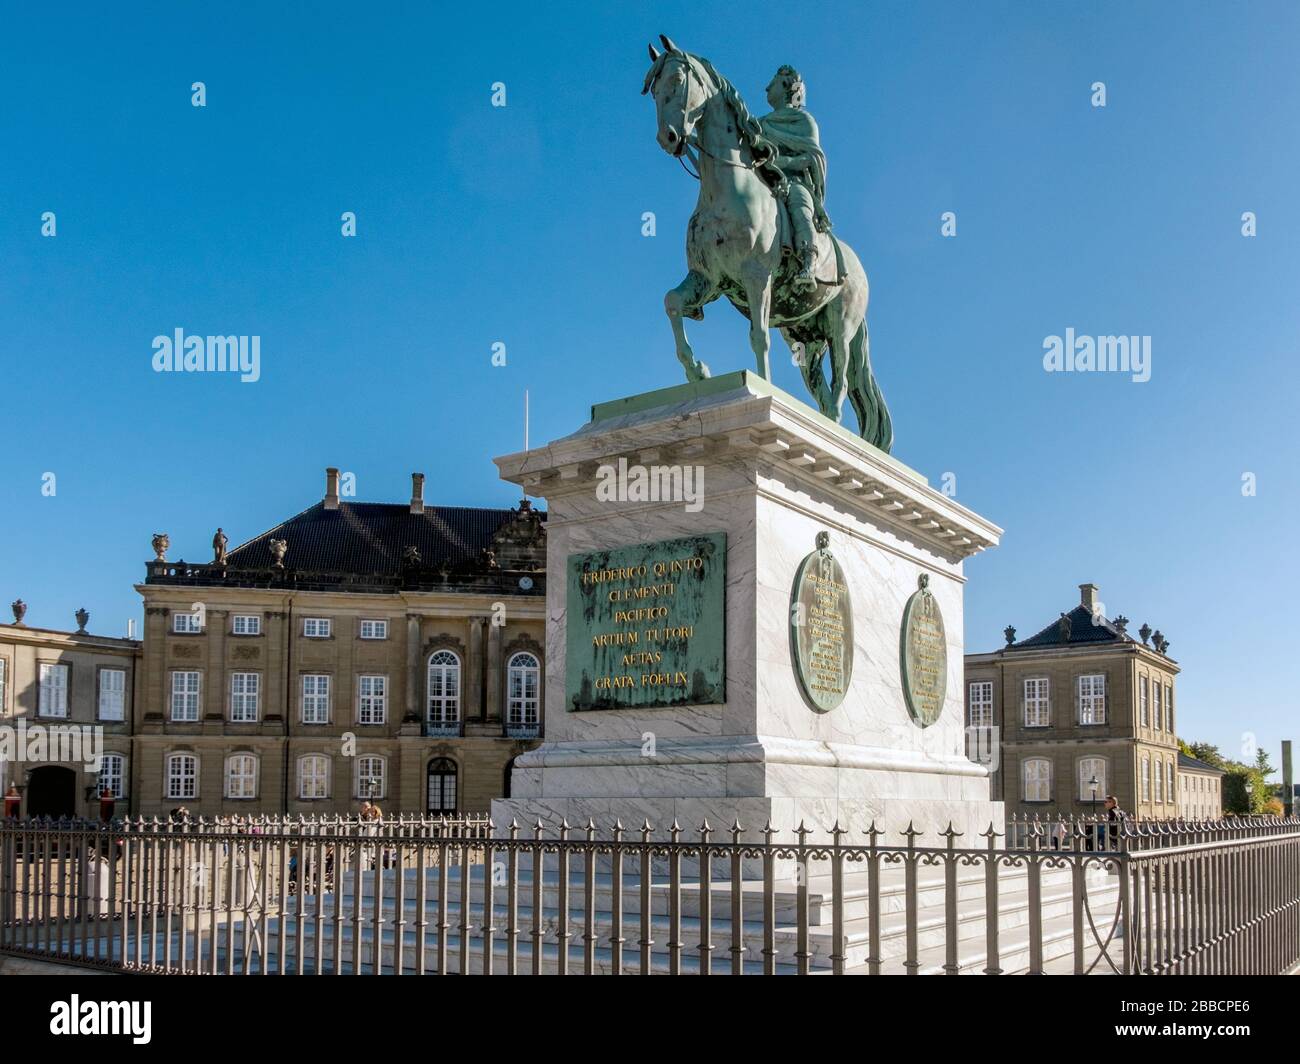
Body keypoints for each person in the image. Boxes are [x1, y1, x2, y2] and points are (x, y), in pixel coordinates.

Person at [757, 65, 832, 292]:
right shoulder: (759, 124)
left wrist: (782, 164)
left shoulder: (804, 121)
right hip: (764, 179)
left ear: (788, 87)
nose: (767, 87)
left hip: (793, 182)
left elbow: (810, 159)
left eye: (773, 82)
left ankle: (808, 261)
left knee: (799, 205)